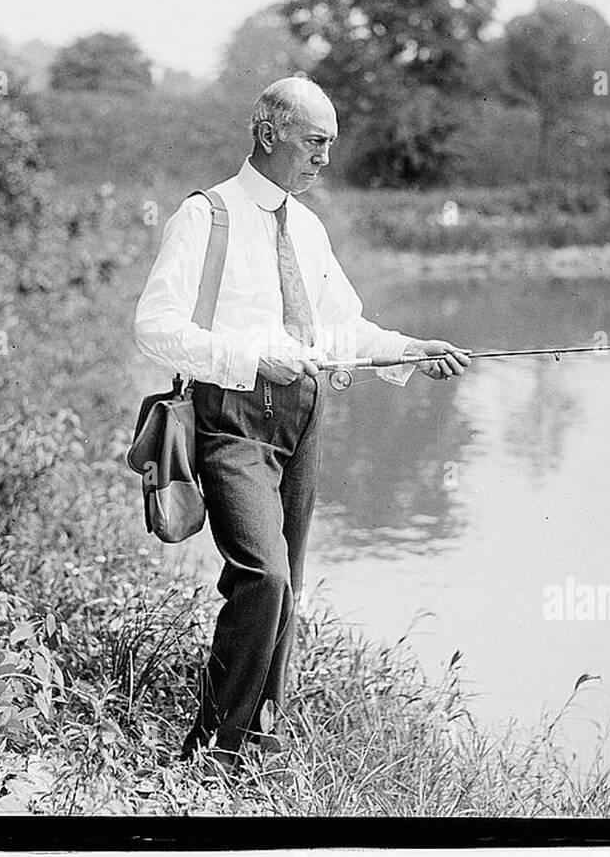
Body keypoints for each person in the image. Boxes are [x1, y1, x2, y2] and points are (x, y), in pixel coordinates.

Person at [133, 75, 470, 767]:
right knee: (265, 575)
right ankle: (212, 752)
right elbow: (153, 328)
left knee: (291, 584)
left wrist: (411, 348)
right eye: (315, 142)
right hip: (230, 420)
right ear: (268, 133)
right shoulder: (205, 216)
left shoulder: (307, 228)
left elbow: (340, 329)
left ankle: (258, 738)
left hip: (304, 422)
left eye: (331, 146)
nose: (324, 159)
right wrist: (251, 356)